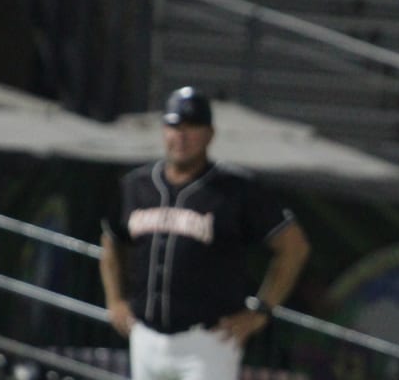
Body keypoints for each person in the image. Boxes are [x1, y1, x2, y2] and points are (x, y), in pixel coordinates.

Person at [99, 86, 310, 379]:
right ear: (163, 130)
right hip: (145, 336)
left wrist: (261, 311)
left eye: (192, 127)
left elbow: (294, 246)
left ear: (210, 134)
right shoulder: (136, 185)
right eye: (175, 126)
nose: (182, 136)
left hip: (208, 341)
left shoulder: (236, 188)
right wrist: (115, 301)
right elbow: (111, 241)